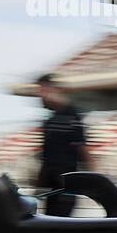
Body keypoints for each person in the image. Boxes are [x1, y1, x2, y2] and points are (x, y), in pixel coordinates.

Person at [34, 73, 92, 216]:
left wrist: (93, 180)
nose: (40, 96)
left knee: (60, 225)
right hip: (51, 187)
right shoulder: (50, 121)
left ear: (54, 90)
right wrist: (38, 188)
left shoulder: (72, 115)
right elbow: (46, 158)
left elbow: (82, 149)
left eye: (43, 90)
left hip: (65, 185)